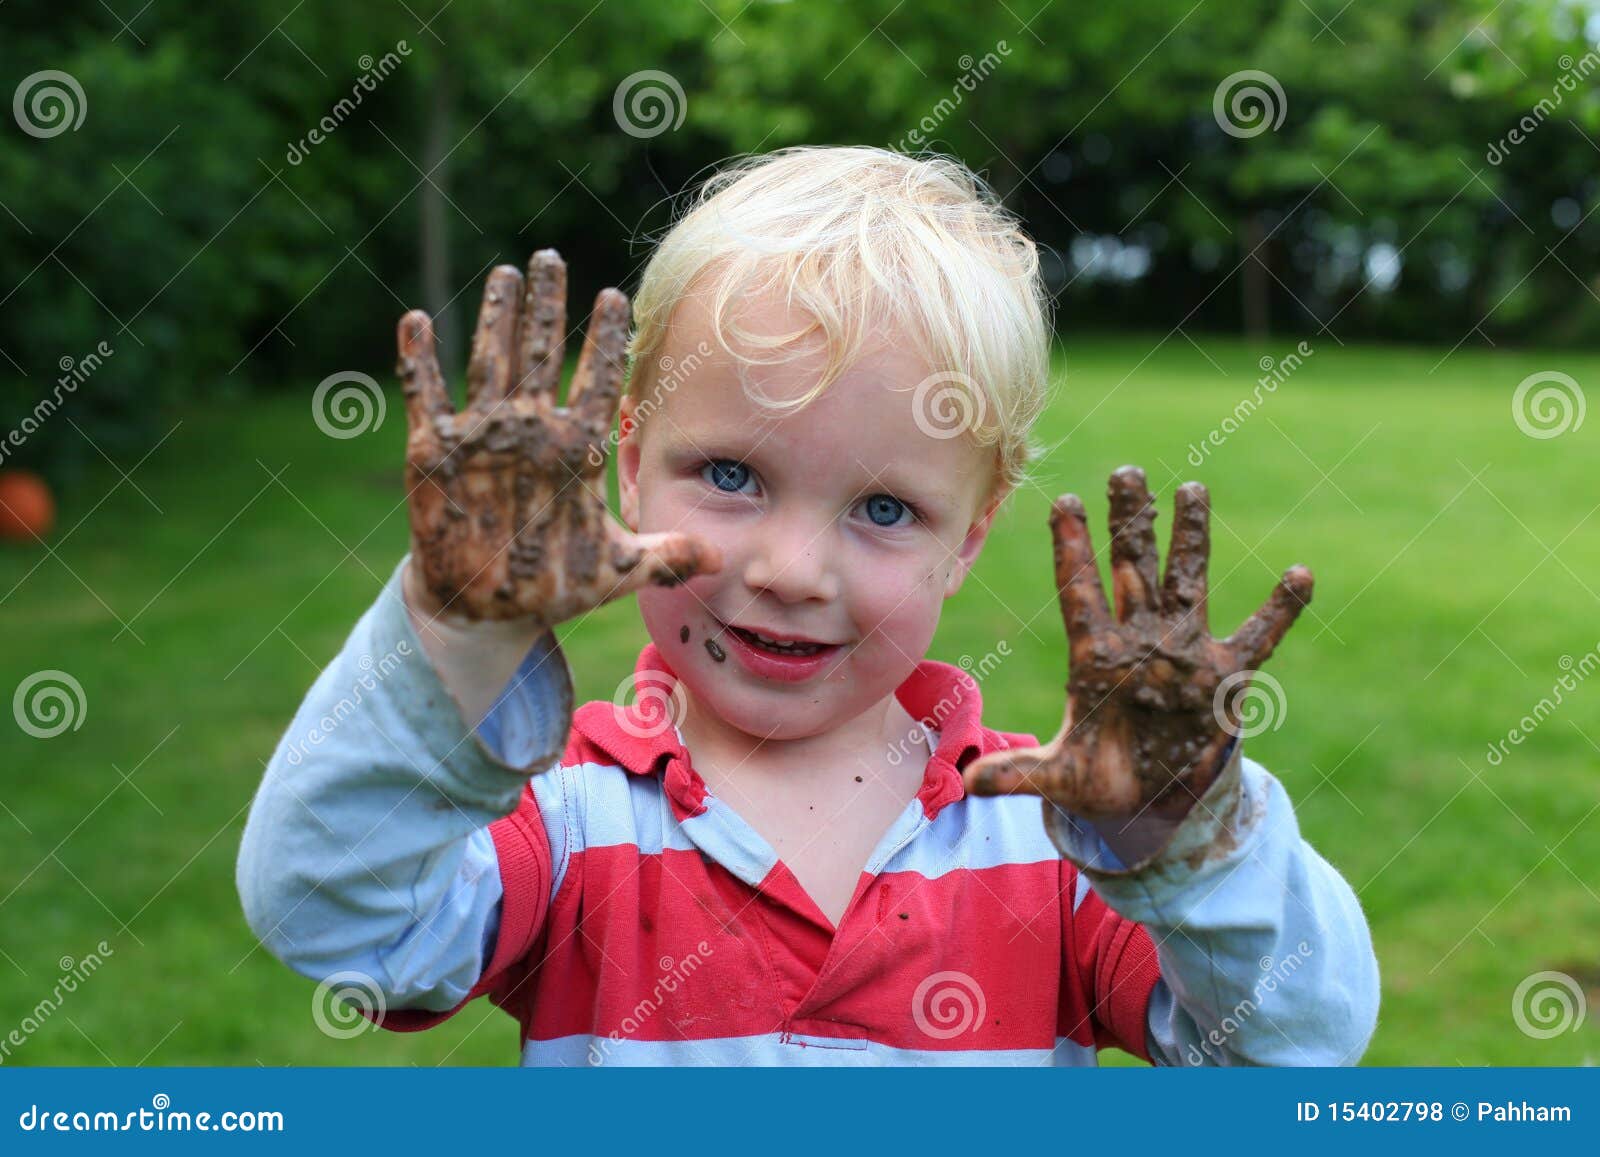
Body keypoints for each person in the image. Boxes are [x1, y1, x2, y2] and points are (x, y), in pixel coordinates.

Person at [236, 145, 1379, 1066]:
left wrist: (1188, 831)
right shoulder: (572, 818)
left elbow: (1296, 1046)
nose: (791, 568)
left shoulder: (1057, 839)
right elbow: (327, 914)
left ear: (970, 534)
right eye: (732, 475)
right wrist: (459, 632)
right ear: (627, 463)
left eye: (883, 507)